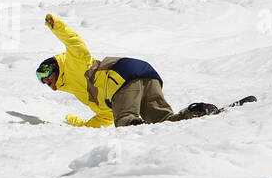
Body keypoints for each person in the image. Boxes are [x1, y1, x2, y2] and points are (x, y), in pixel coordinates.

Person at [36, 15, 218, 127]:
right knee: (163, 124)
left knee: (125, 121)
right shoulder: (85, 96)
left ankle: (134, 124)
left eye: (44, 72)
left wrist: (55, 25)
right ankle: (198, 111)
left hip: (121, 77)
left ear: (54, 65)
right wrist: (80, 125)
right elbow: (103, 117)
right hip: (146, 74)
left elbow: (73, 41)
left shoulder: (73, 62)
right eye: (40, 80)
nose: (44, 80)